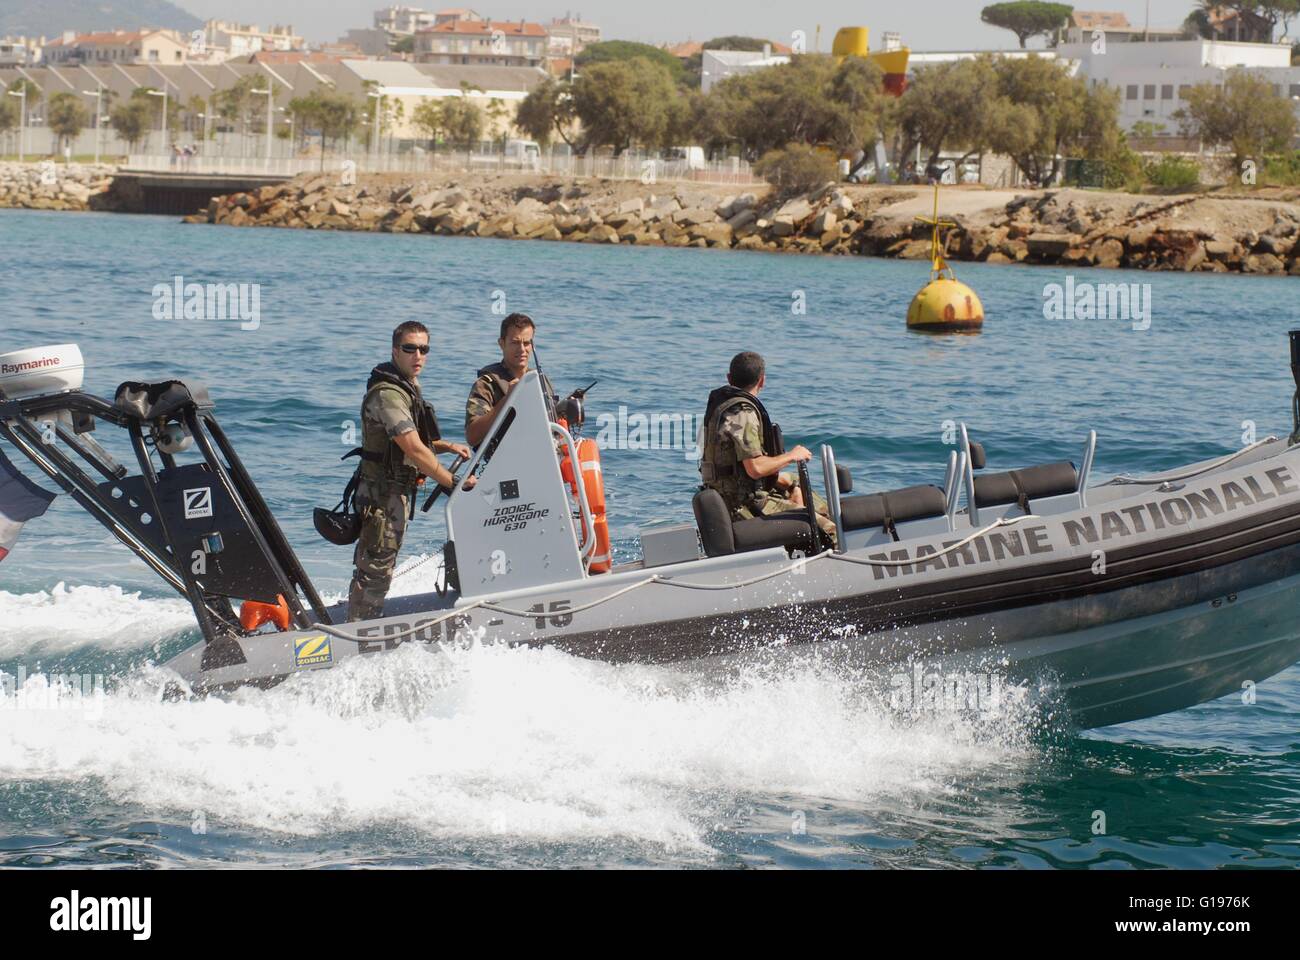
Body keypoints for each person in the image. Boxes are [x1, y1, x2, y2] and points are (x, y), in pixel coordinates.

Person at [348, 321, 472, 621]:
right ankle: (359, 631)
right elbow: (414, 449)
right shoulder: (388, 394)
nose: (418, 355)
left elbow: (418, 441)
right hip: (381, 497)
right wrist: (452, 482)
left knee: (381, 567)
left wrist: (448, 446)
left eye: (424, 349)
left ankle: (364, 623)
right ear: (395, 351)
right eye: (410, 348)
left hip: (394, 494)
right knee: (375, 571)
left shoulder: (407, 387)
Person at [699, 351, 838, 548]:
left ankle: (801, 525)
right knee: (829, 529)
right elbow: (754, 468)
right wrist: (791, 456)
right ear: (762, 380)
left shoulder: (721, 409)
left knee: (796, 485)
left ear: (729, 378)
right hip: (745, 507)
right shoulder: (743, 414)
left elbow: (735, 470)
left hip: (730, 497)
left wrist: (787, 482)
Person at [464, 313, 557, 448]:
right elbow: (472, 436)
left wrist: (568, 411)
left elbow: (553, 427)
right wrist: (507, 399)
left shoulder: (541, 381)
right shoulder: (486, 384)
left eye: (526, 343)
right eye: (515, 342)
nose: (522, 349)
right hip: (505, 459)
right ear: (501, 344)